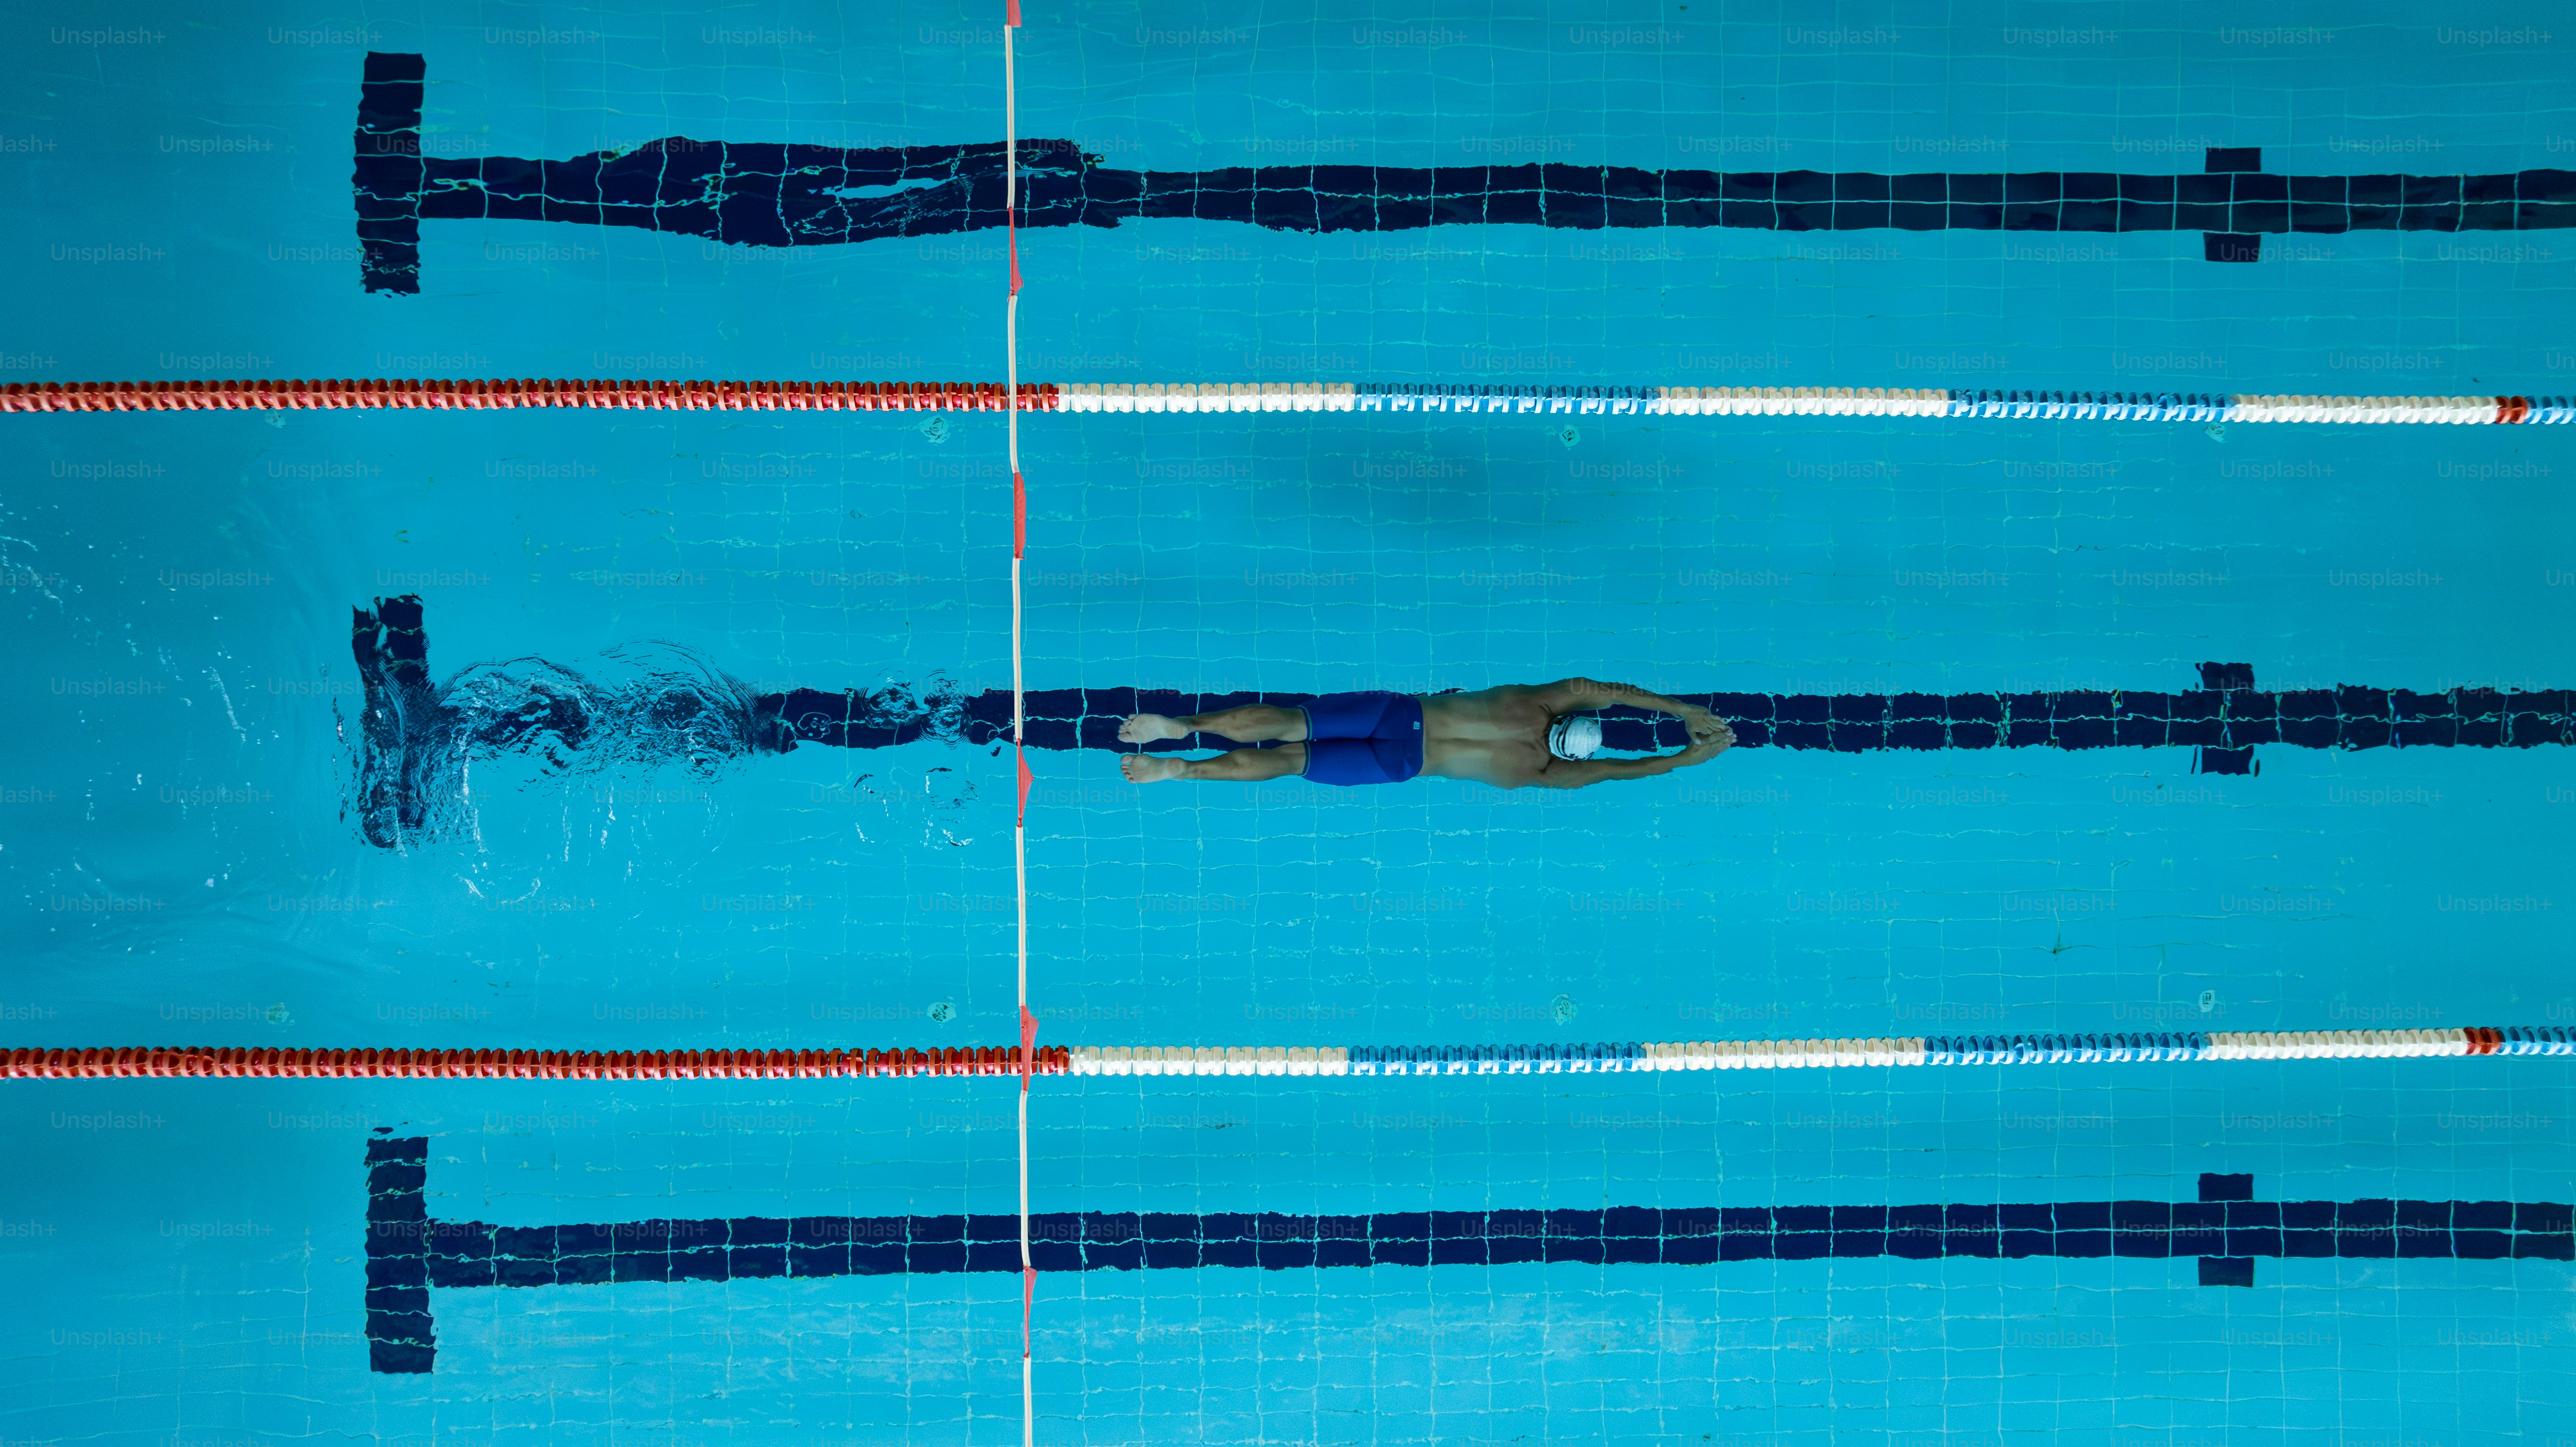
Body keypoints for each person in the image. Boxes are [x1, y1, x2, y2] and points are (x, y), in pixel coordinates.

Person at [1117, 680, 1733, 790]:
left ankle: (1184, 728)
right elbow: (1624, 771)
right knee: (1290, 760)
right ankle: (1184, 771)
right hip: (1401, 766)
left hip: (1400, 714)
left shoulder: (1538, 701)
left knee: (1289, 719)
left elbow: (1605, 685)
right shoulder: (1546, 771)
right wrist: (1686, 761)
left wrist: (1681, 711)